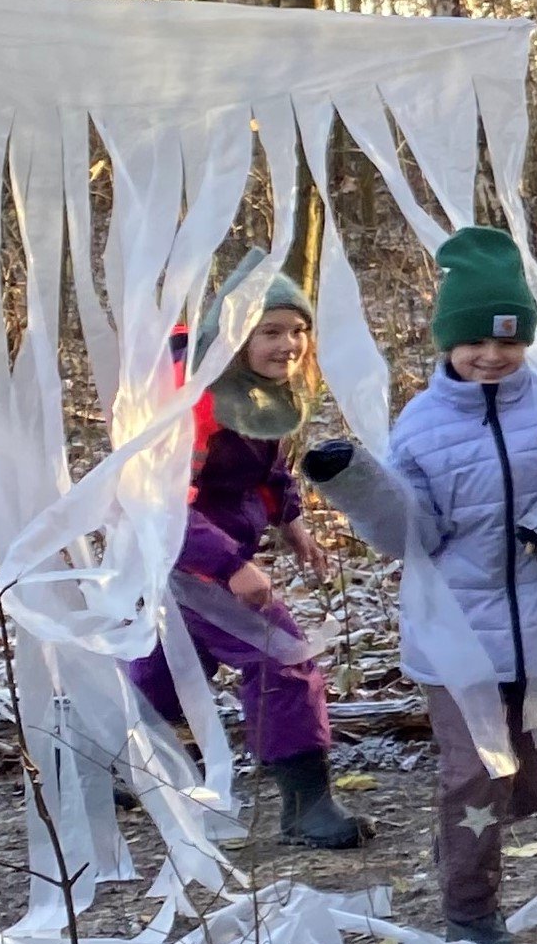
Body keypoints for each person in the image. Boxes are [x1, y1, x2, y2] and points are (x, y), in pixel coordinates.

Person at [314, 226, 537, 944]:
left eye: (508, 340)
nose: (491, 355)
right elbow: (415, 533)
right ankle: (470, 914)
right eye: (475, 341)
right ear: (447, 340)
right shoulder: (423, 426)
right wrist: (355, 483)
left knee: (527, 781)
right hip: (457, 633)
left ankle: (460, 850)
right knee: (475, 776)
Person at [129, 275, 368, 851]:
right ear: (236, 338)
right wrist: (231, 564)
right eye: (270, 332)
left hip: (212, 557)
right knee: (283, 657)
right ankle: (306, 805)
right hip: (188, 560)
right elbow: (161, 499)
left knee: (168, 668)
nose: (289, 344)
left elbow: (268, 466)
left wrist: (292, 525)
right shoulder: (196, 404)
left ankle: (115, 762)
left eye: (298, 331)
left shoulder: (259, 391)